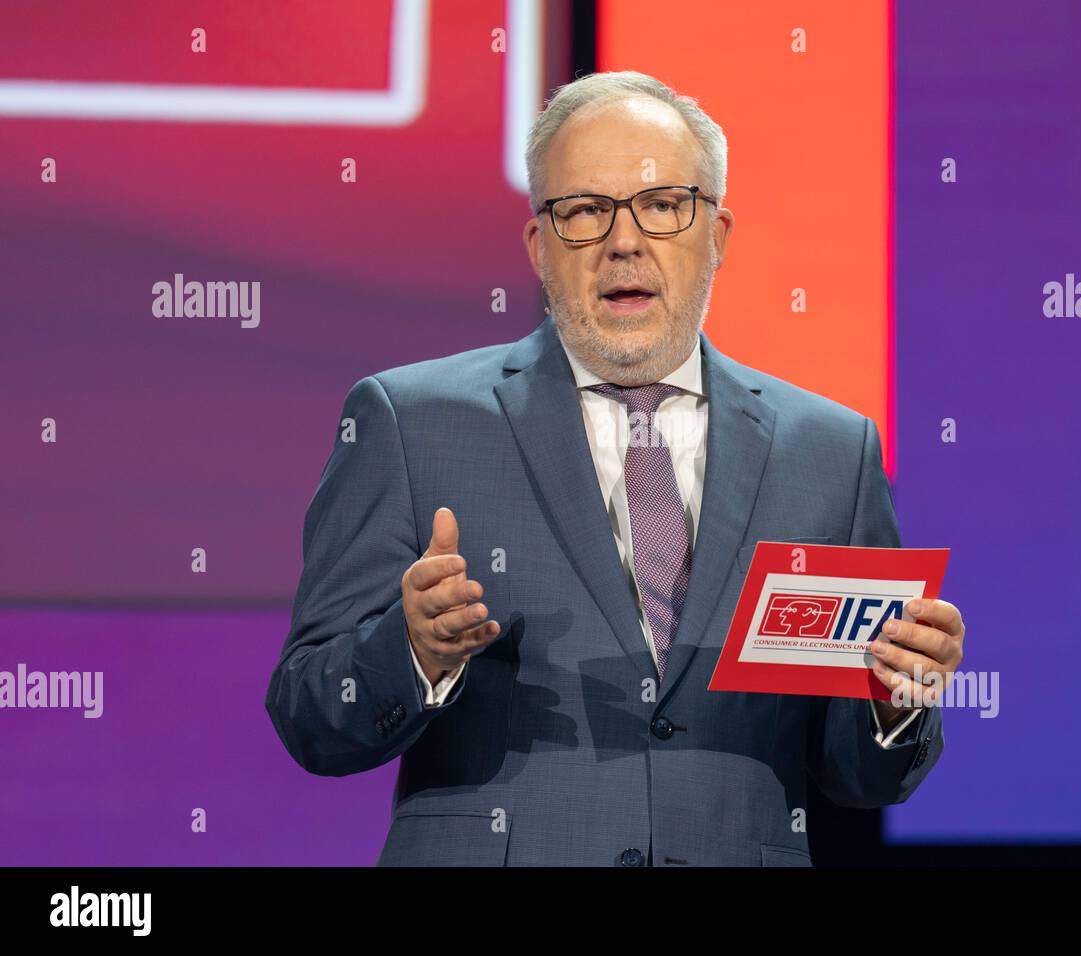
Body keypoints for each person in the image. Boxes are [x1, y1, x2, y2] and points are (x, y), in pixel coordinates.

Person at [265, 70, 965, 866]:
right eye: (584, 211)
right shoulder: (410, 422)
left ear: (719, 234)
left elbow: (858, 777)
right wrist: (413, 650)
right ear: (538, 246)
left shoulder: (832, 452)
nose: (623, 241)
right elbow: (309, 714)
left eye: (663, 205)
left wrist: (896, 693)